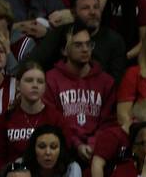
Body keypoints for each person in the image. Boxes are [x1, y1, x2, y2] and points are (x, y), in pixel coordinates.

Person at [43, 25, 116, 163]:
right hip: (62, 152)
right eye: (78, 45)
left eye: (89, 44)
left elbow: (109, 122)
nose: (85, 49)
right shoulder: (50, 79)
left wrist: (93, 144)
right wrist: (77, 144)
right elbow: (53, 120)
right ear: (64, 50)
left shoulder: (106, 81)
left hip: (99, 153)